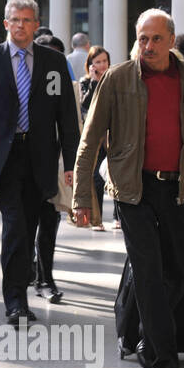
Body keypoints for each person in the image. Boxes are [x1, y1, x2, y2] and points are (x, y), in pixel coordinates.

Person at [73, 10, 184, 368]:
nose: (147, 46)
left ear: (170, 40)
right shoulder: (118, 79)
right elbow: (89, 141)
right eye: (141, 39)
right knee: (148, 273)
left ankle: (141, 333)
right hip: (134, 189)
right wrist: (83, 198)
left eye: (154, 39)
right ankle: (164, 362)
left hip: (179, 189)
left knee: (179, 272)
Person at [0, 0, 79, 323]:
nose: (21, 25)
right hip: (5, 158)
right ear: (5, 23)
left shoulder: (53, 62)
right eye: (15, 20)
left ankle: (23, 287)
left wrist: (71, 164)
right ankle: (15, 302)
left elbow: (67, 118)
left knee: (29, 226)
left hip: (41, 158)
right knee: (15, 228)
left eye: (27, 20)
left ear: (36, 24)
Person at [33, 34, 75, 303]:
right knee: (21, 226)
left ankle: (44, 277)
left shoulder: (63, 83)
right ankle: (25, 279)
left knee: (49, 221)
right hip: (21, 164)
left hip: (52, 163)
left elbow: (70, 123)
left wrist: (70, 165)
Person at [76, 45, 111, 230]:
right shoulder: (85, 81)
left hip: (112, 134)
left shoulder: (114, 78)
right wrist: (95, 81)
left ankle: (118, 217)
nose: (102, 65)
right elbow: (86, 103)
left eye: (105, 61)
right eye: (98, 62)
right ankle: (97, 219)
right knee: (97, 176)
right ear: (91, 64)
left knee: (116, 174)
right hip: (95, 136)